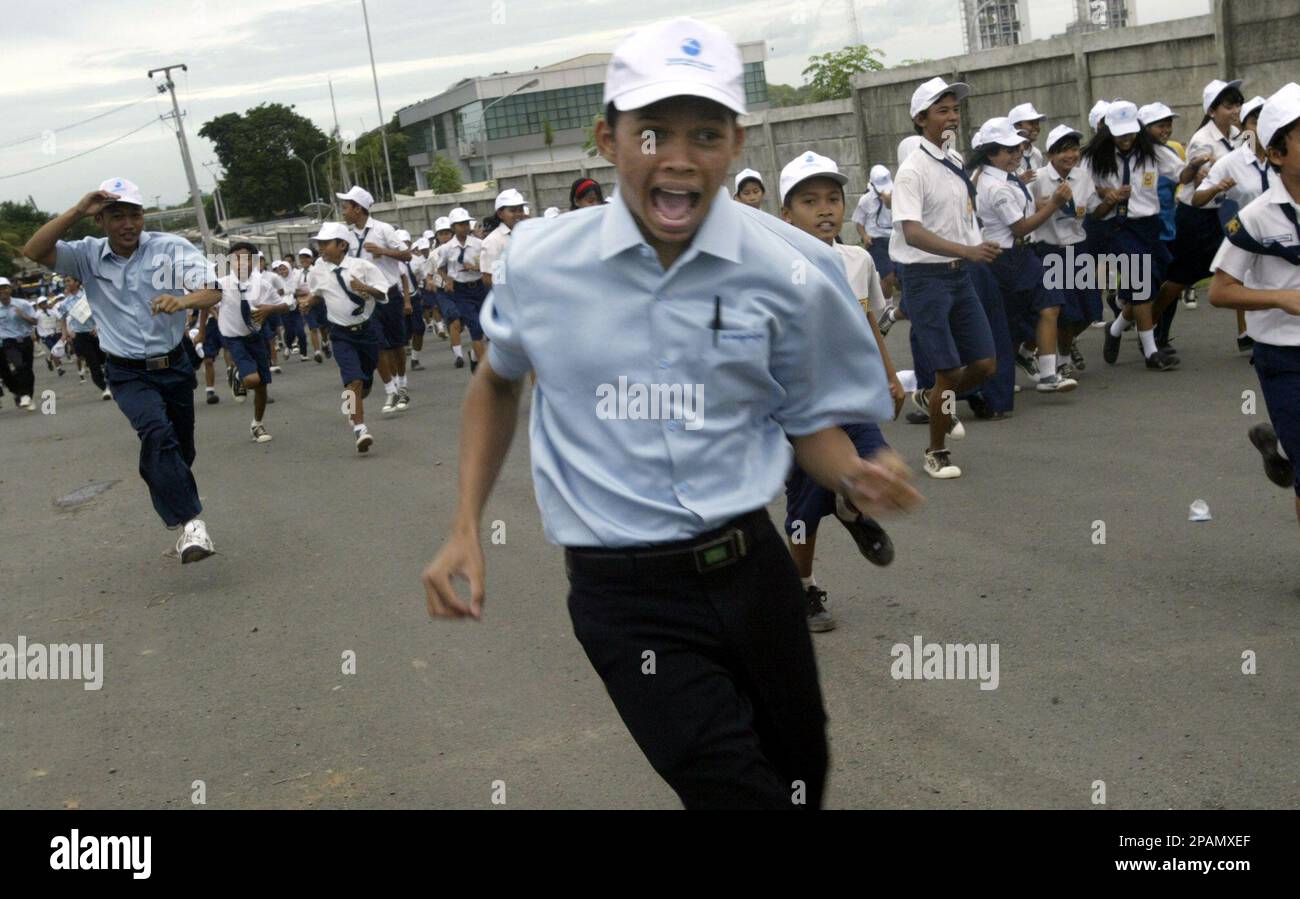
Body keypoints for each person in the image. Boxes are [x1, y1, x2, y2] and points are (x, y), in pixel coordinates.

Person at [420, 17, 918, 810]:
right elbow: (497, 382)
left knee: (797, 782)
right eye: (651, 131)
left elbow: (802, 419)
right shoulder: (542, 266)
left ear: (736, 142)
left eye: (705, 132)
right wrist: (464, 526)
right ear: (608, 138)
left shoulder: (787, 268)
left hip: (754, 571)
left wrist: (851, 469)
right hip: (627, 597)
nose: (678, 157)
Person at [21, 178, 219, 561]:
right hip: (127, 371)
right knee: (157, 433)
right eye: (117, 217)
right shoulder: (85, 256)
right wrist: (78, 209)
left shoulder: (169, 248)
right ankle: (193, 527)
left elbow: (213, 290)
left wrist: (183, 302)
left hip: (174, 364)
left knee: (179, 448)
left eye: (134, 215)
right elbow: (34, 250)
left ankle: (166, 483)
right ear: (100, 220)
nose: (128, 224)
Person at [778, 149, 905, 631]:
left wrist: (889, 373)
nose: (825, 209)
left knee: (875, 464)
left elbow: (867, 319)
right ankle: (805, 587)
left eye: (833, 198)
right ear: (786, 215)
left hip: (848, 395)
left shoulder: (855, 259)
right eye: (810, 201)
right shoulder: (772, 268)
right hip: (801, 408)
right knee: (804, 510)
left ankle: (852, 509)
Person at [890, 76, 1000, 479]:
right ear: (920, 118)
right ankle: (935, 452)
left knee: (985, 364)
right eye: (943, 110)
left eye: (955, 109)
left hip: (959, 276)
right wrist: (967, 251)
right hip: (924, 278)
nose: (952, 116)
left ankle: (933, 399)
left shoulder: (954, 160)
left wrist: (977, 245)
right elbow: (912, 231)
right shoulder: (912, 171)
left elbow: (960, 218)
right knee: (948, 372)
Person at [1208, 82, 1300, 533]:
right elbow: (1220, 290)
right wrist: (1280, 298)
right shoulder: (1256, 217)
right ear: (1278, 153)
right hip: (1284, 356)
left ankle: (1281, 448)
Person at [970, 116, 1077, 393]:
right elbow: (1019, 227)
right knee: (1009, 322)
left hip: (1022, 254)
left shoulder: (1006, 179)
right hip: (1005, 259)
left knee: (1050, 304)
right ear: (991, 154)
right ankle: (992, 379)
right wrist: (1054, 203)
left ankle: (1048, 374)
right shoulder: (995, 187)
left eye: (1018, 148)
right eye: (1009, 150)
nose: (1017, 153)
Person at [1083, 101, 1183, 371]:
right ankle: (1151, 352)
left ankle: (1115, 329)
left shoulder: (1151, 152)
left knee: (1150, 283)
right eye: (1120, 133)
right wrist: (1107, 195)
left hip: (1148, 226)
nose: (1127, 139)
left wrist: (1199, 168)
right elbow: (1087, 194)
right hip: (1117, 226)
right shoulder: (1095, 158)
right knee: (1141, 282)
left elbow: (1180, 172)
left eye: (1131, 132)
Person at [1156, 79, 1246, 354]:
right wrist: (1209, 172)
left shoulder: (1240, 135)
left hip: (1226, 213)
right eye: (1228, 106)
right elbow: (1196, 181)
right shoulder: (1201, 141)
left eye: (1237, 104)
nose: (1234, 110)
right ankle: (1151, 327)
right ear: (1211, 110)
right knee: (1180, 279)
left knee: (1241, 269)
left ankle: (1246, 333)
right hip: (1198, 217)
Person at [296, 221, 389, 453]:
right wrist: (309, 301)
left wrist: (365, 288)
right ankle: (360, 429)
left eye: (326, 243)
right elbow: (319, 293)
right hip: (340, 334)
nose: (322, 248)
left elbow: (382, 293)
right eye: (320, 244)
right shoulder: (318, 269)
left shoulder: (363, 266)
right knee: (353, 380)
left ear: (342, 245)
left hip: (366, 331)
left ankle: (351, 404)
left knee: (364, 384)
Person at [1031, 124, 1101, 375]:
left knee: (1089, 310)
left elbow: (1093, 208)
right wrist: (1042, 205)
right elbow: (1024, 213)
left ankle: (1063, 348)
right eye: (1062, 151)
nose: (1070, 155)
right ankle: (1060, 359)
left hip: (1077, 248)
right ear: (1050, 154)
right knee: (1063, 310)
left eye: (1073, 149)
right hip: (1049, 251)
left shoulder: (1082, 177)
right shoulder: (1037, 179)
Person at [337, 185, 413, 413]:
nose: (343, 212)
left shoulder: (383, 229)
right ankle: (390, 390)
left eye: (346, 207)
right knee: (378, 344)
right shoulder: (346, 236)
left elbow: (407, 255)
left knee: (397, 344)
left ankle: (402, 386)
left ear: (358, 209)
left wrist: (384, 251)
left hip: (388, 294)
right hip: (365, 298)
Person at [210, 242, 286, 443]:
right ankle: (236, 375)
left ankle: (257, 424)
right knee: (252, 380)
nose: (240, 263)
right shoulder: (222, 284)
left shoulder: (263, 284)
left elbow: (286, 305)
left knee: (261, 386)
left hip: (256, 337)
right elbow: (205, 304)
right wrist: (203, 329)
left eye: (245, 258)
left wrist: (269, 309)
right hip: (234, 338)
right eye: (235, 258)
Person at [434, 207, 486, 373]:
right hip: (461, 291)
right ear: (453, 227)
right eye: (460, 224)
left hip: (480, 287)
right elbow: (440, 267)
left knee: (486, 327)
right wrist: (448, 280)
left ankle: (475, 355)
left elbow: (488, 264)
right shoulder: (446, 249)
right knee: (474, 327)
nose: (464, 227)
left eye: (466, 223)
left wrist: (476, 266)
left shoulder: (479, 244)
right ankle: (487, 373)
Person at [852, 164, 900, 308]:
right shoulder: (865, 200)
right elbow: (858, 222)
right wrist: (865, 236)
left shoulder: (896, 194)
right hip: (877, 241)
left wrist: (890, 202)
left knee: (899, 278)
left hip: (894, 238)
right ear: (872, 184)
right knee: (888, 277)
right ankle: (888, 306)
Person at [57, 275, 111, 400]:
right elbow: (62, 319)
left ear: (77, 282)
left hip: (96, 333)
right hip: (80, 336)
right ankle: (105, 388)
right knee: (93, 363)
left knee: (105, 360)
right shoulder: (65, 303)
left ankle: (114, 383)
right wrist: (66, 332)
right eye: (65, 281)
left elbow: (102, 311)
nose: (66, 283)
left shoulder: (88, 296)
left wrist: (98, 325)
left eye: (69, 281)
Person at [0, 276, 38, 410]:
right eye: (0, 289)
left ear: (10, 289)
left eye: (4, 288)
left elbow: (35, 321)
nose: (2, 291)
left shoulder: (22, 304)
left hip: (26, 340)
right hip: (8, 342)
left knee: (28, 369)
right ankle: (22, 394)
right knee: (19, 365)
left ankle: (28, 396)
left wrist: (23, 316)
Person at [480, 188, 527, 292]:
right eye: (513, 211)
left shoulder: (525, 235)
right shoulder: (495, 241)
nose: (518, 214)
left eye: (520, 210)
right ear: (500, 214)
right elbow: (492, 278)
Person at [298, 247, 332, 363]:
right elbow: (294, 289)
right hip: (307, 304)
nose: (304, 260)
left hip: (319, 302)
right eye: (301, 258)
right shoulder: (297, 274)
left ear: (311, 258)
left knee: (323, 327)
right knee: (313, 327)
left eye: (306, 257)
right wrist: (303, 294)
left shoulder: (317, 270)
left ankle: (325, 342)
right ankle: (317, 351)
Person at [1008, 101, 1047, 179]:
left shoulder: (1037, 154)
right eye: (1031, 123)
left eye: (1037, 123)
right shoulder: (1007, 155)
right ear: (1017, 126)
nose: (1036, 127)